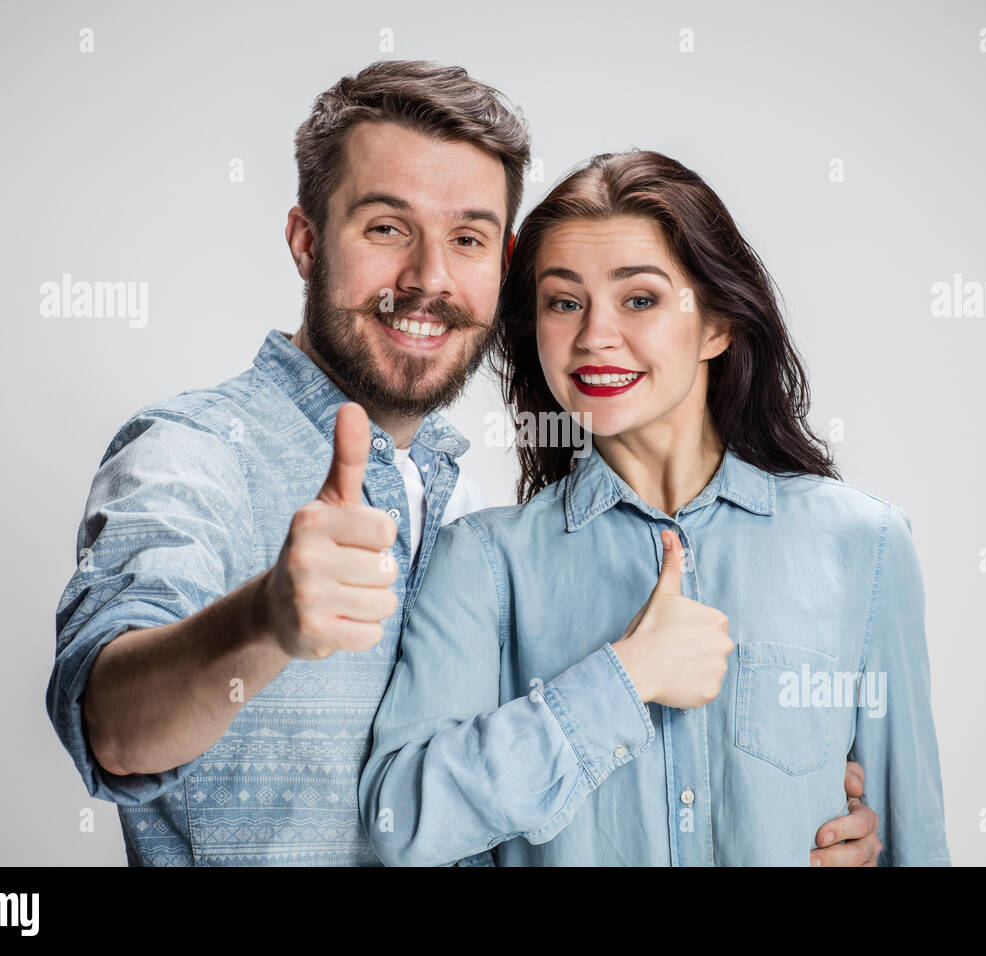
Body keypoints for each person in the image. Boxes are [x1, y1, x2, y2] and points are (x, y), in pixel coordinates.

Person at [46, 60, 880, 866]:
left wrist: (795, 812)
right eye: (386, 228)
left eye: (467, 239)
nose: (427, 279)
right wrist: (264, 620)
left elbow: (516, 795)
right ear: (305, 239)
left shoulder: (471, 518)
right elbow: (109, 728)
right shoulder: (194, 457)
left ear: (503, 264)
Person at [359, 150, 949, 865]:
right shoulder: (485, 562)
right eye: (564, 302)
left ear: (717, 326)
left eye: (639, 299)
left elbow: (911, 838)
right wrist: (624, 679)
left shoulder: (864, 545)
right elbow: (398, 820)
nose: (594, 335)